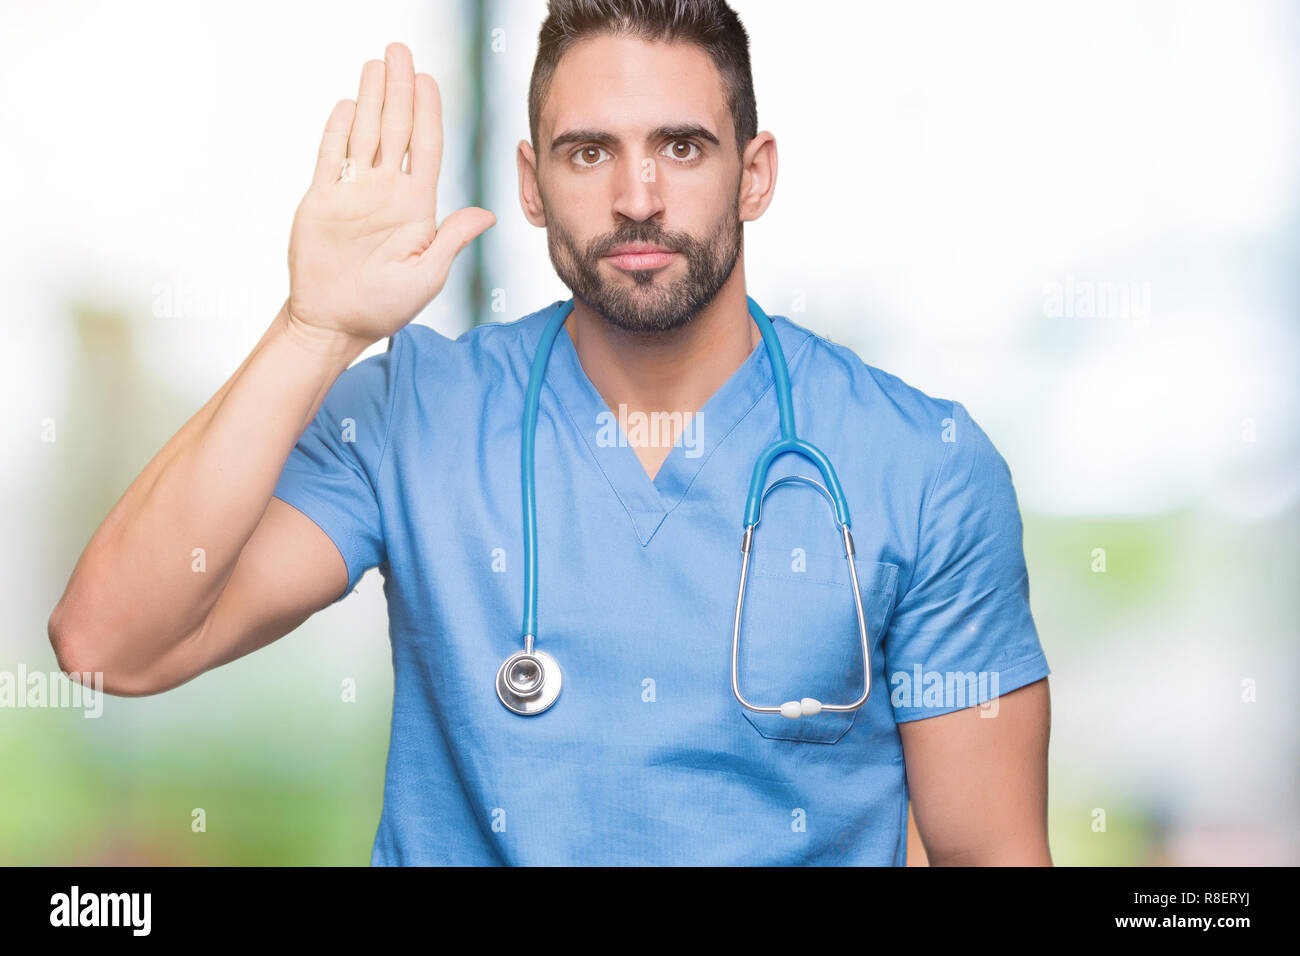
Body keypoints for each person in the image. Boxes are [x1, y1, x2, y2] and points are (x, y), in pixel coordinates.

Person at [49, 0, 1051, 865]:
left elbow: (990, 849)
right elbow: (108, 645)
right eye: (589, 151)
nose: (638, 196)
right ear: (531, 184)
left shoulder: (920, 464)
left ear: (755, 174)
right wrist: (314, 329)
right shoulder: (418, 414)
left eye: (682, 145)